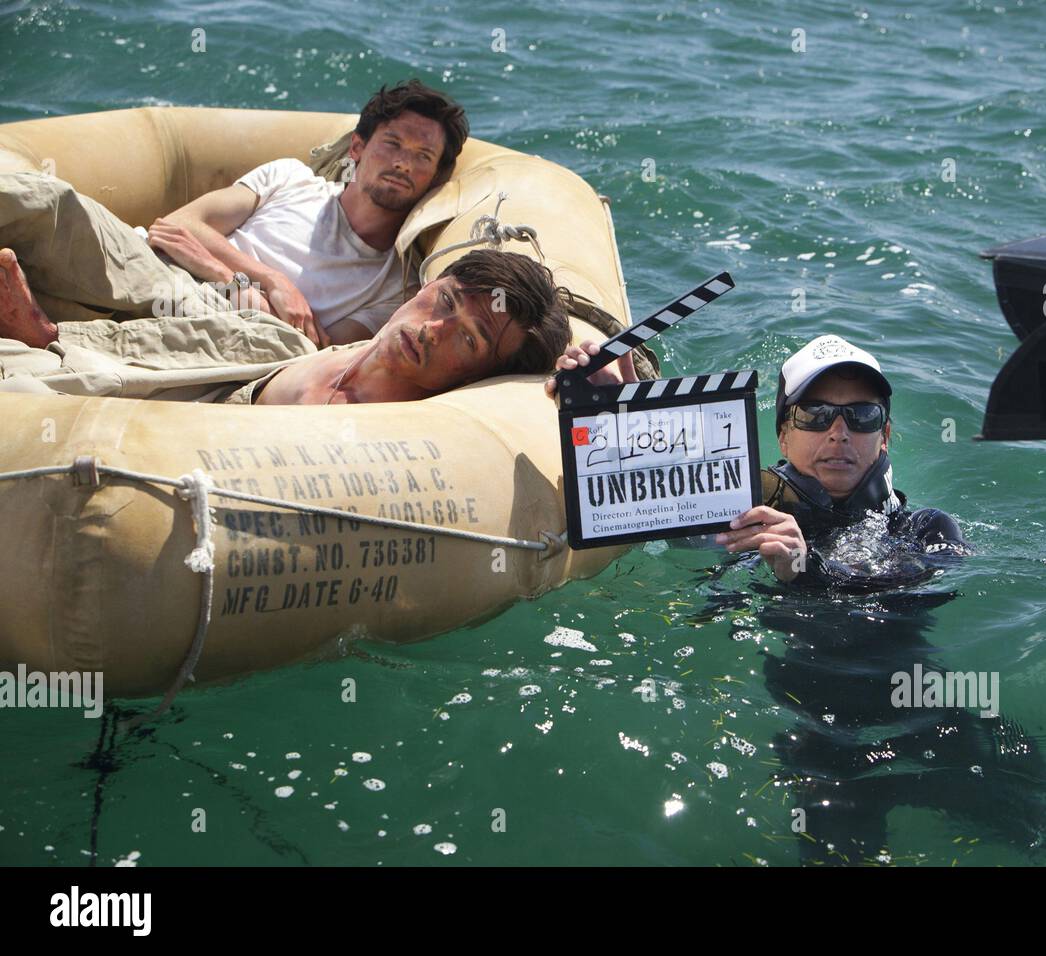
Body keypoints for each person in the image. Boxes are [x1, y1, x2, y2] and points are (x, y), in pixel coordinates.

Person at [0, 78, 467, 350]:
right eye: (393, 144)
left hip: (223, 323)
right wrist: (270, 281)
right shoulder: (291, 179)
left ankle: (49, 333)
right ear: (359, 147)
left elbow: (310, 347)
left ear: (436, 177)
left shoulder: (394, 285)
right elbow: (177, 226)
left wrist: (220, 276)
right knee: (48, 199)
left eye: (424, 157)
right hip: (156, 264)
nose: (404, 163)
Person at [549, 333, 967, 587]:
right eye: (815, 415)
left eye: (862, 416)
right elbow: (665, 522)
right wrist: (629, 426)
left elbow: (918, 594)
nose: (839, 432)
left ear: (885, 437)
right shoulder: (740, 518)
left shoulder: (927, 529)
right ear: (783, 435)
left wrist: (805, 569)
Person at [0, 248, 574, 405]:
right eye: (445, 301)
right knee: (60, 207)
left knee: (24, 389)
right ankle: (48, 337)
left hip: (216, 421)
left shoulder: (390, 421)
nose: (433, 330)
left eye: (469, 339)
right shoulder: (300, 338)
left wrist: (599, 378)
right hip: (264, 350)